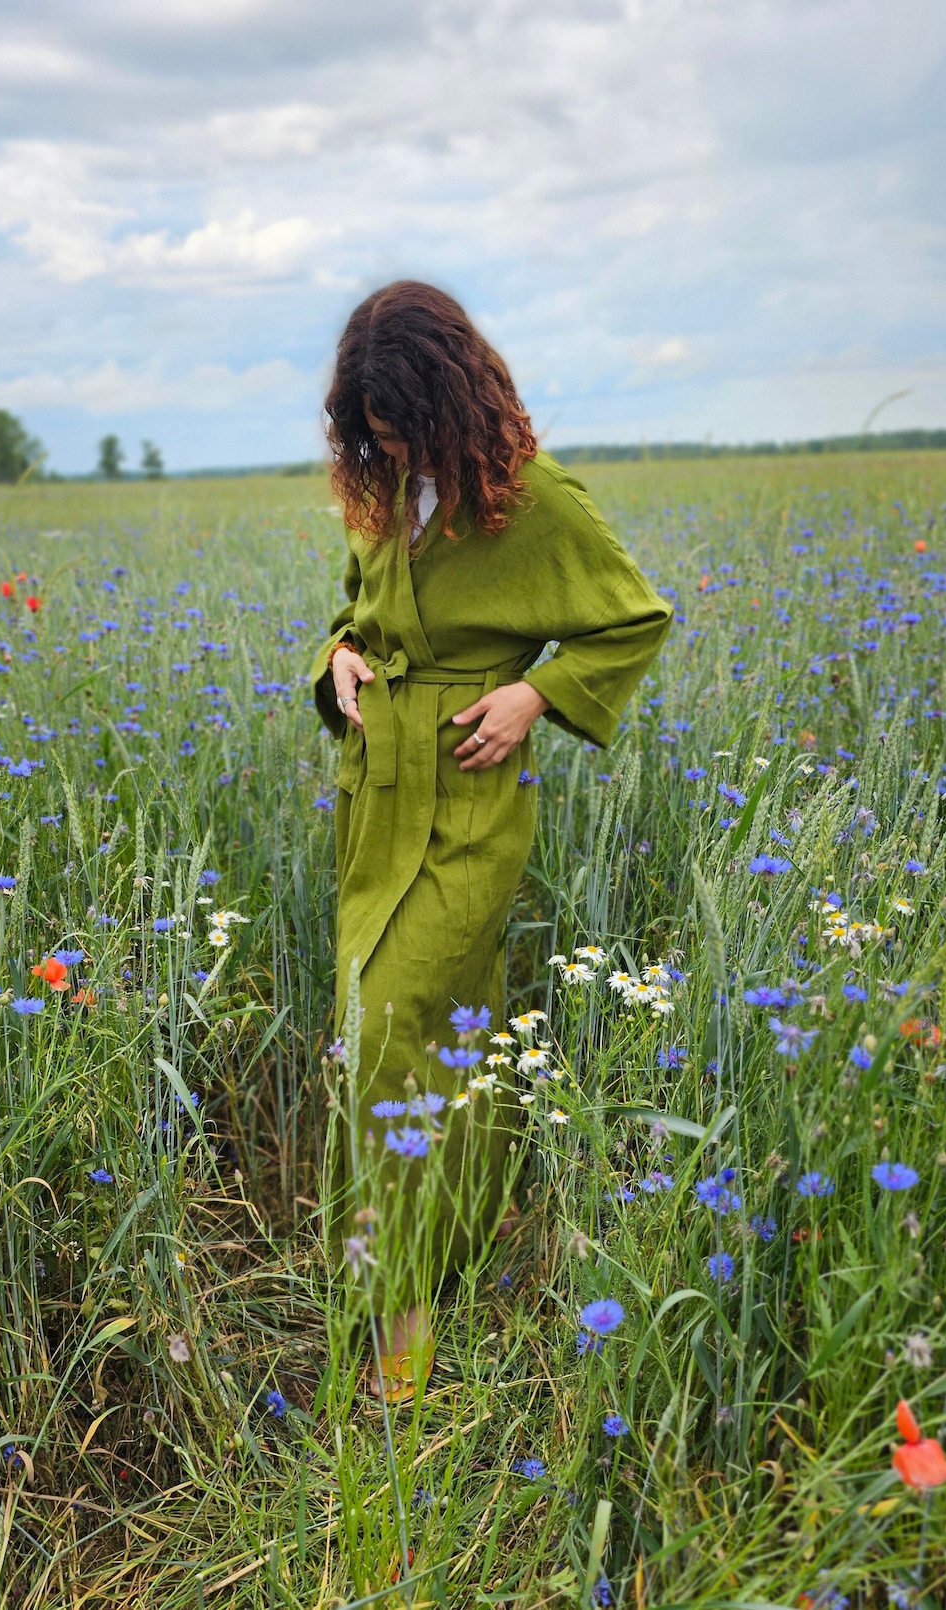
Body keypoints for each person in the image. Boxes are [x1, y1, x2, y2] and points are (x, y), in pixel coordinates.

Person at [311, 280, 672, 1403]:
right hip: (379, 796)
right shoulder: (385, 495)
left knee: (390, 1033)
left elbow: (632, 617)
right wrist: (336, 663)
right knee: (427, 1041)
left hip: (469, 800)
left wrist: (538, 695)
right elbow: (353, 616)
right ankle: (464, 1239)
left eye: (407, 428)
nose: (392, 448)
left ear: (454, 400)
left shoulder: (535, 502)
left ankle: (399, 1323)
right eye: (373, 433)